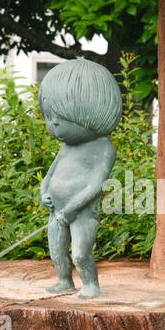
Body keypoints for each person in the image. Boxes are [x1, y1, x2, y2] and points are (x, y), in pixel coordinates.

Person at [39, 59, 122, 298]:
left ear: (89, 116)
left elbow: (96, 185)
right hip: (57, 211)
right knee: (56, 250)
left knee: (80, 253)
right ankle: (64, 280)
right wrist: (44, 192)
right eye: (48, 117)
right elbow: (50, 174)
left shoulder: (102, 147)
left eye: (58, 119)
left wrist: (73, 209)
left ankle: (91, 284)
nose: (52, 125)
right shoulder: (66, 147)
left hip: (82, 213)